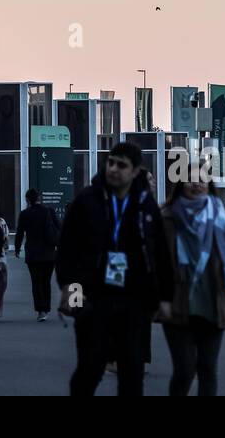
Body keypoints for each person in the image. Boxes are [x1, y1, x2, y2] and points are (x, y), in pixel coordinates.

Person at [56, 141, 174, 397]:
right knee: (90, 368)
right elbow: (68, 251)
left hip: (134, 302)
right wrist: (72, 291)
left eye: (122, 165)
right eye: (111, 162)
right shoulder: (87, 200)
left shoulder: (145, 205)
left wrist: (164, 298)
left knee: (132, 373)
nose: (114, 169)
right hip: (93, 300)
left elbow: (161, 255)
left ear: (134, 171)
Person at [160, 179, 225, 396]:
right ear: (180, 185)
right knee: (185, 371)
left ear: (209, 185)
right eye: (189, 180)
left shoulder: (222, 219)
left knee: (208, 369)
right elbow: (154, 263)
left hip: (214, 306)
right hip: (178, 306)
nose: (195, 184)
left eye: (201, 180)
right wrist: (160, 300)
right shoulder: (166, 218)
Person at [15, 188, 61, 321]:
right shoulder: (49, 211)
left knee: (36, 282)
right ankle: (46, 308)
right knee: (46, 281)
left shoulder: (24, 214)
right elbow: (59, 228)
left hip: (33, 254)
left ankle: (40, 310)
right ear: (39, 198)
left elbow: (19, 233)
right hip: (49, 253)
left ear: (28, 200)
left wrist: (17, 249)